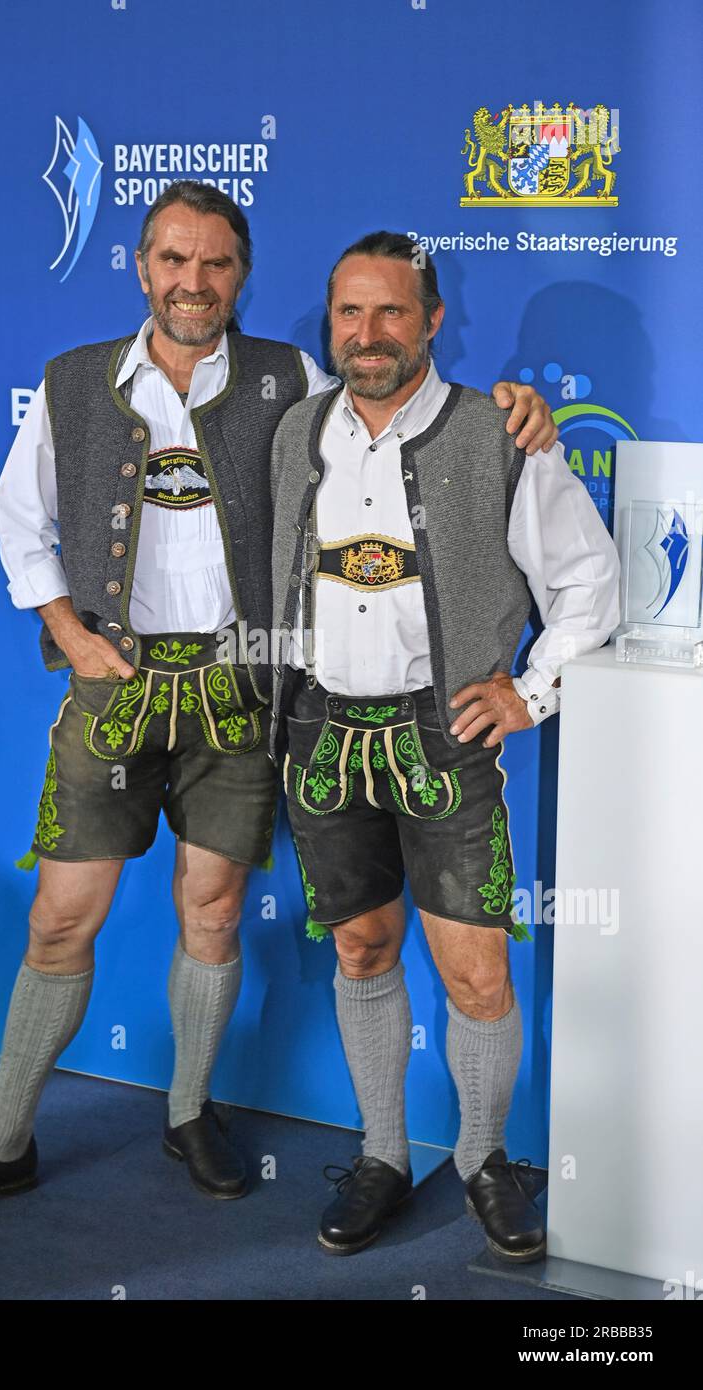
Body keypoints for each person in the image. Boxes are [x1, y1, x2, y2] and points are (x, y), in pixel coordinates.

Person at [0, 189, 557, 1226]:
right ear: (141, 266)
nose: (191, 282)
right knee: (61, 917)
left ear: (240, 278)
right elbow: (17, 518)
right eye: (172, 259)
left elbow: (397, 440)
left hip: (245, 692)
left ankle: (190, 1111)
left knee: (208, 911)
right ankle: (0, 1140)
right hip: (113, 690)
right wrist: (67, 633)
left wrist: (520, 410)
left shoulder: (290, 381)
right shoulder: (71, 381)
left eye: (213, 264)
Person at [269, 231, 620, 1258]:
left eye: (389, 313)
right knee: (360, 947)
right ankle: (382, 1153)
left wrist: (532, 687)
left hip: (445, 732)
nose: (366, 334)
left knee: (474, 977)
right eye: (348, 313)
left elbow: (587, 584)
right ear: (328, 323)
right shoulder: (296, 429)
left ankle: (479, 1156)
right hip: (321, 729)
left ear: (430, 320)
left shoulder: (501, 433)